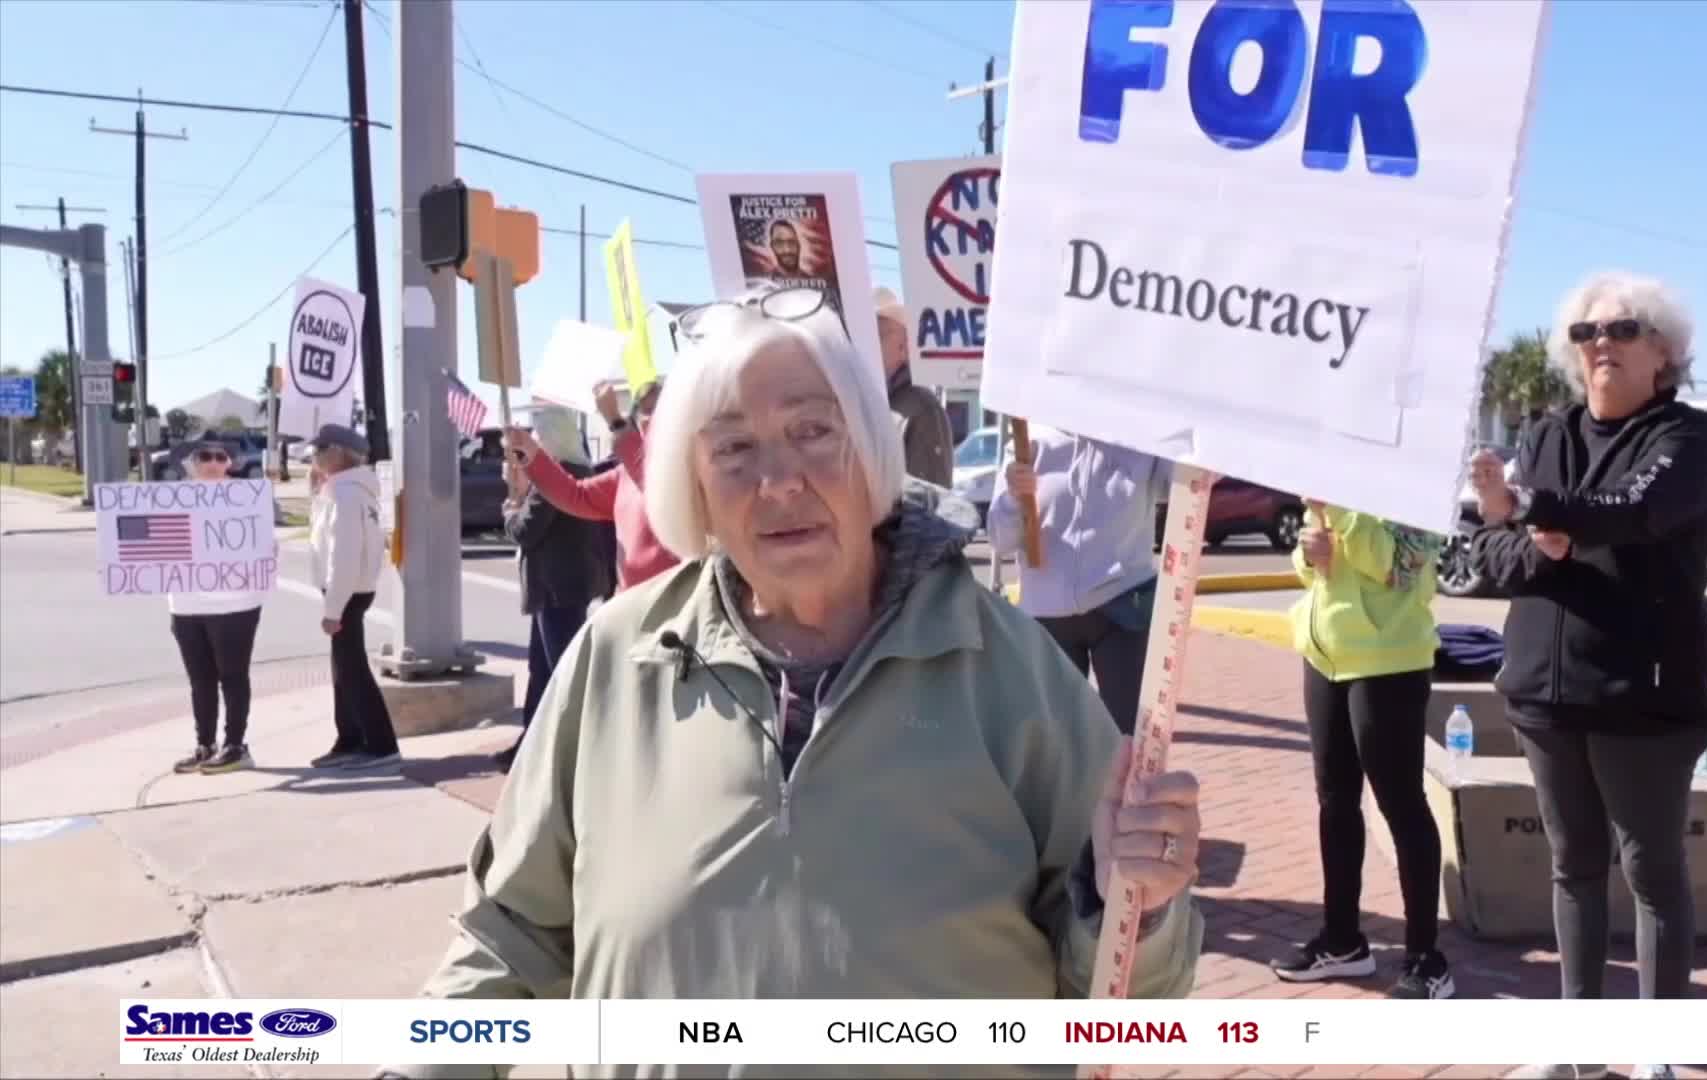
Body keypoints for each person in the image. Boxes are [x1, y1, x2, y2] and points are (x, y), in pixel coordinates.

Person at [399, 286, 1202, 1074]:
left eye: (814, 432)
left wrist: (1138, 903)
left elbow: (1126, 998)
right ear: (694, 488)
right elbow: (509, 934)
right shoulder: (616, 657)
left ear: (872, 454)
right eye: (733, 450)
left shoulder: (1007, 669)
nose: (778, 481)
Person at [1468, 272, 1707, 1080]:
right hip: (1545, 696)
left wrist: (1532, 510)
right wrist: (1528, 539)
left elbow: (1632, 511)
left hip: (1643, 699)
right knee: (1572, 867)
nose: (1601, 346)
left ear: (1664, 352)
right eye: (1586, 335)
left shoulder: (1686, 441)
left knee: (1652, 871)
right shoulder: (1545, 436)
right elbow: (1492, 556)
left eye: (1621, 330)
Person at [1273, 500, 1452, 999]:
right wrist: (1309, 557)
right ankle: (1343, 939)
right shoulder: (1336, 471)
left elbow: (1402, 569)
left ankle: (1425, 956)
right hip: (1325, 657)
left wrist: (1343, 516)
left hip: (1388, 662)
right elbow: (1315, 571)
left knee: (1401, 804)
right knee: (1334, 801)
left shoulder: (1412, 480)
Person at [989, 425, 1168, 734]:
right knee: (1055, 748)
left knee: (1128, 743)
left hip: (1124, 609)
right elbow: (1000, 540)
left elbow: (1189, 481)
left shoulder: (1141, 431)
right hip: (1047, 618)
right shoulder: (1029, 439)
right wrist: (1012, 498)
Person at [496, 407, 616, 772]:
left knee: (560, 673)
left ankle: (568, 755)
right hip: (568, 585)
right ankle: (530, 745)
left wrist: (510, 509)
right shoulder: (580, 470)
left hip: (557, 587)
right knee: (542, 670)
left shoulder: (556, 477)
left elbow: (525, 531)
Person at [505, 380, 676, 594]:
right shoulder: (623, 475)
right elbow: (575, 495)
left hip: (675, 608)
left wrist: (615, 422)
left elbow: (658, 489)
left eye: (659, 410)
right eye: (645, 411)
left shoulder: (684, 471)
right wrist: (528, 453)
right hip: (631, 608)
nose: (651, 418)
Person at [168, 431, 268, 775]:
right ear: (190, 463)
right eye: (203, 457)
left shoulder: (247, 498)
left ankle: (236, 745)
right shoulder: (173, 498)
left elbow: (265, 546)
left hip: (235, 604)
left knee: (233, 676)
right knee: (200, 680)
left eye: (219, 457)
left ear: (230, 462)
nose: (212, 463)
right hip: (186, 603)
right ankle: (205, 744)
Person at [306, 423, 400, 770]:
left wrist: (334, 608)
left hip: (346, 591)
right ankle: (350, 738)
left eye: (319, 451)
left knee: (353, 671)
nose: (312, 457)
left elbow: (344, 555)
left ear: (338, 454)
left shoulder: (346, 496)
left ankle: (379, 743)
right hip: (351, 590)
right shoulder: (347, 491)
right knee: (343, 670)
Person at [874, 286, 955, 487]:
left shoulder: (922, 410)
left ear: (903, 347)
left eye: (877, 336)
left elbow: (928, 505)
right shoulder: (869, 403)